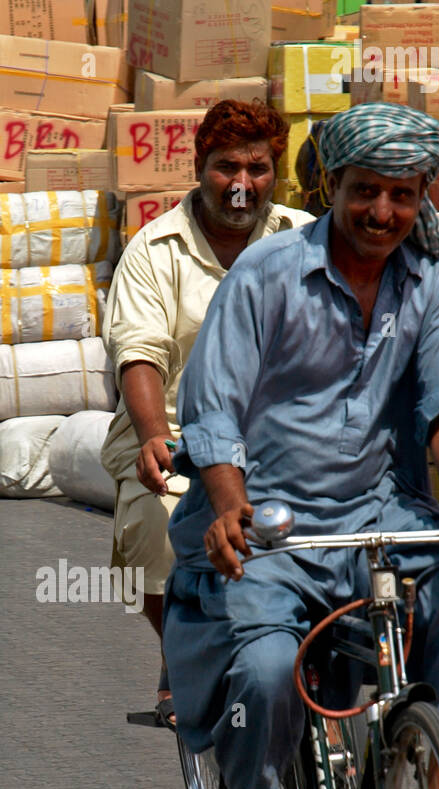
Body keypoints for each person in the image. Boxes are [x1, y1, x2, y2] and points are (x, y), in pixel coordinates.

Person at [163, 103, 439, 789]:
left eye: (402, 196)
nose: (383, 214)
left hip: (381, 510)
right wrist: (227, 505)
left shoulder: (429, 279)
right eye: (366, 191)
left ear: (420, 197)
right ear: (331, 186)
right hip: (271, 521)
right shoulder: (265, 275)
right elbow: (213, 410)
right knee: (262, 669)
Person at [100, 100, 312, 726]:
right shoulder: (154, 250)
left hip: (282, 436)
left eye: (258, 168)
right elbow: (139, 352)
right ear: (199, 168)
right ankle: (182, 649)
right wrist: (154, 435)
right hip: (181, 437)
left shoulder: (302, 239)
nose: (242, 184)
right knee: (154, 530)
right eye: (226, 168)